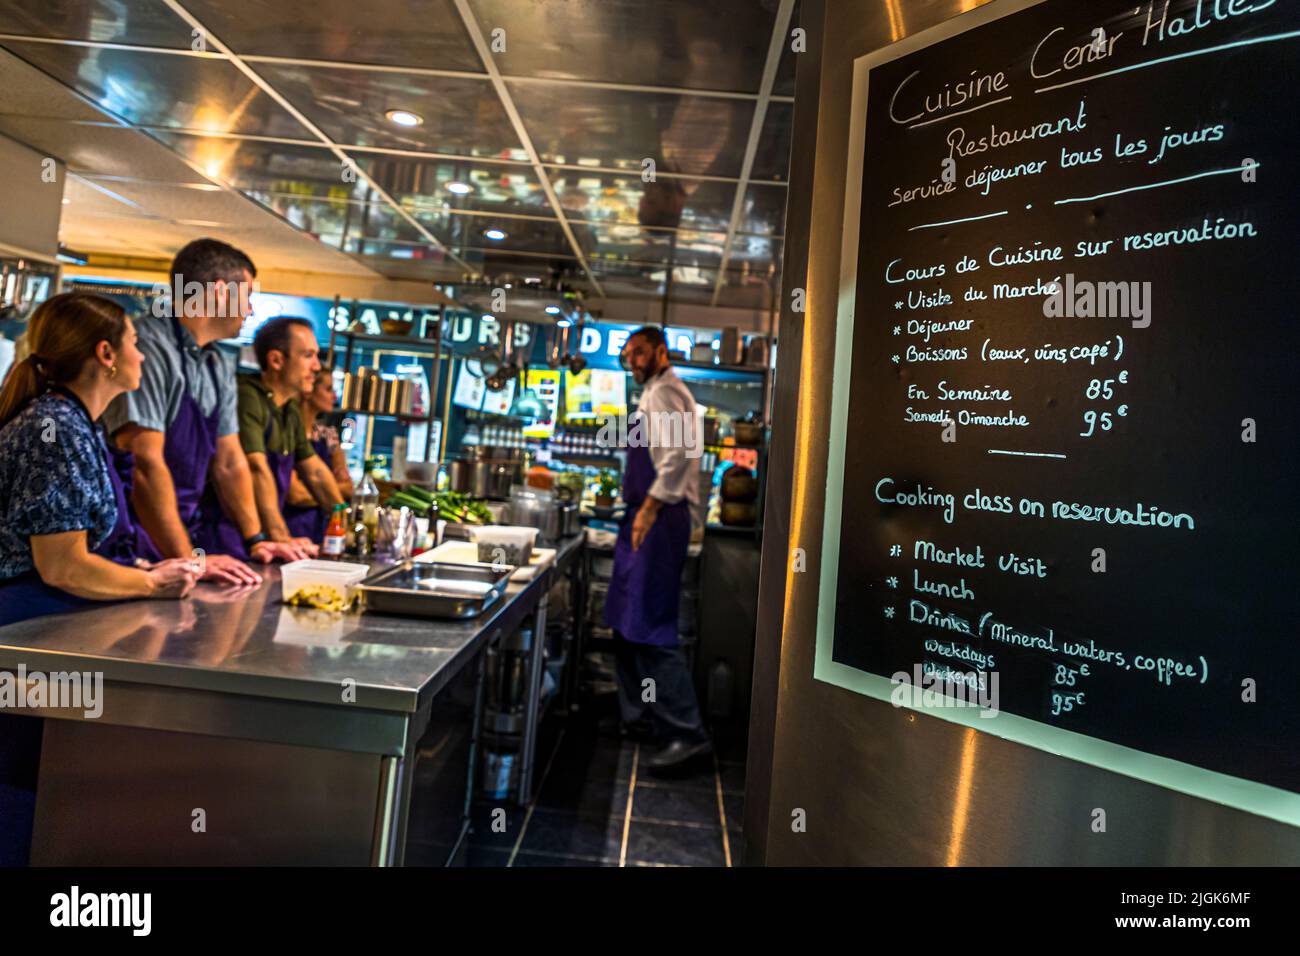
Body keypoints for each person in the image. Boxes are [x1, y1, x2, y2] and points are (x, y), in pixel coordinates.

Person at [0, 292, 197, 866]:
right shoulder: (53, 429)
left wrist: (139, 569)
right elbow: (60, 564)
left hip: (46, 628)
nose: (143, 354)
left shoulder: (77, 422)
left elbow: (78, 546)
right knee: (20, 786)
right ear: (106, 353)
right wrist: (153, 586)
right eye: (136, 342)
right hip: (25, 634)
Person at [103, 238, 307, 582]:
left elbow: (230, 462)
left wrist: (257, 540)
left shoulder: (216, 362)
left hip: (178, 535)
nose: (250, 310)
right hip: (131, 537)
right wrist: (188, 561)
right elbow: (145, 464)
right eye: (247, 297)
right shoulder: (150, 349)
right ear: (219, 293)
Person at [604, 326, 711, 772]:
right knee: (626, 625)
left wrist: (647, 509)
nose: (633, 360)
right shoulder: (655, 392)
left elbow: (679, 457)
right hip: (647, 514)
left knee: (649, 626)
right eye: (628, 354)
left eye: (640, 353)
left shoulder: (665, 392)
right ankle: (642, 718)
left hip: (659, 516)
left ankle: (688, 734)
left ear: (661, 352)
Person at [236, 318, 343, 548]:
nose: (316, 366)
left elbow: (314, 471)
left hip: (266, 538)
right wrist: (282, 539)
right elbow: (256, 469)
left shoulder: (289, 408)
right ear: (276, 360)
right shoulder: (249, 397)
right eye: (308, 356)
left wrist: (345, 522)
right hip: (232, 535)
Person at [285, 366, 354, 542]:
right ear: (309, 390)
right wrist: (327, 491)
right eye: (329, 389)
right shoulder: (287, 433)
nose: (334, 396)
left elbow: (349, 487)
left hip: (323, 528)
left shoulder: (328, 434)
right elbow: (295, 495)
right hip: (289, 528)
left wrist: (316, 490)